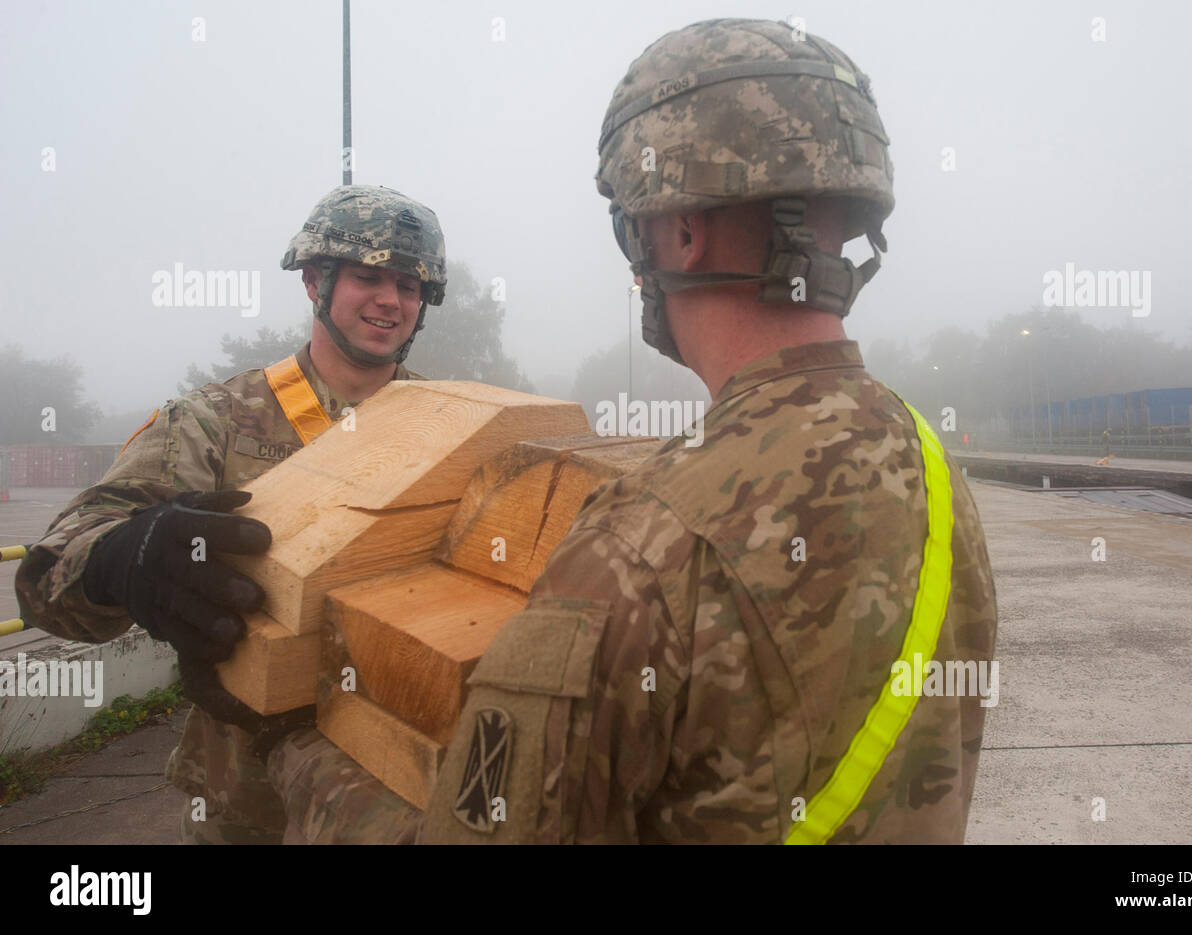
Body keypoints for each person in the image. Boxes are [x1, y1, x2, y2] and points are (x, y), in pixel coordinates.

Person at [411, 18, 999, 843]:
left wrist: (304, 761)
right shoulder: (934, 467)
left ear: (680, 231)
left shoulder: (641, 545)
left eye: (632, 226)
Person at [14, 184, 446, 844]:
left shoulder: (448, 423)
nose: (392, 299)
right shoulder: (215, 421)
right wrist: (122, 558)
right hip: (252, 803)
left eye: (411, 284)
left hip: (406, 795)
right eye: (368, 276)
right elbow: (47, 580)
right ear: (314, 281)